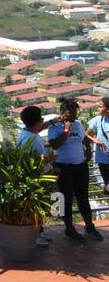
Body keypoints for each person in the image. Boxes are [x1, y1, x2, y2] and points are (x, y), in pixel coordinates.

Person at [46, 98, 101, 243]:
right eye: (70, 115)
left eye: (75, 114)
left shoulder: (78, 124)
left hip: (80, 165)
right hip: (64, 166)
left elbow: (83, 138)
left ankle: (89, 227)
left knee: (83, 196)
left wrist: (88, 150)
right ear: (63, 114)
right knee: (67, 199)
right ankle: (69, 229)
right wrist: (66, 130)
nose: (74, 117)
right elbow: (54, 145)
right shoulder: (54, 127)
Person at [17, 105, 52, 248]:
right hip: (36, 177)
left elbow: (41, 128)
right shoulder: (29, 139)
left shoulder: (28, 133)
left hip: (38, 176)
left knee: (40, 207)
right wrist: (52, 158)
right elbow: (34, 159)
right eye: (41, 118)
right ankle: (35, 236)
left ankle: (39, 232)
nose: (43, 120)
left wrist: (53, 122)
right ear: (36, 122)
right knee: (36, 208)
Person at [86, 96, 109, 193]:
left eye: (100, 106)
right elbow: (85, 134)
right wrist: (94, 140)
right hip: (103, 160)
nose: (98, 108)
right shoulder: (97, 120)